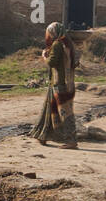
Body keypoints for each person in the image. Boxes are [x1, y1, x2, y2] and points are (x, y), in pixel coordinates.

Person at [32, 21, 78, 149]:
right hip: (66, 82)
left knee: (65, 113)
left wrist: (44, 56)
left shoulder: (57, 44)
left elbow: (52, 62)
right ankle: (44, 136)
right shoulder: (68, 44)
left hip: (59, 83)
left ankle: (71, 141)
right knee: (51, 110)